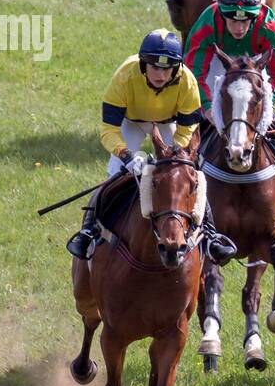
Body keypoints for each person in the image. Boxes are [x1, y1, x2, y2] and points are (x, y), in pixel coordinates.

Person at [66, 29, 230, 261]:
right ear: (143, 65)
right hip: (131, 122)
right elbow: (108, 131)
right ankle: (89, 230)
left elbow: (187, 129)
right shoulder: (124, 76)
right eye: (154, 67)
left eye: (167, 68)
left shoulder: (187, 81)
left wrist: (169, 155)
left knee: (191, 175)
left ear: (176, 68)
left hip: (168, 124)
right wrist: (127, 155)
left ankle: (211, 235)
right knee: (114, 174)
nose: (161, 74)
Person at [184, 0, 275, 200]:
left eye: (245, 21)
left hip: (253, 64)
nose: (239, 27)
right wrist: (206, 106)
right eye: (232, 21)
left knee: (270, 119)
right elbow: (194, 70)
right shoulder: (207, 22)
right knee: (194, 120)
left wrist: (264, 102)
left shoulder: (269, 24)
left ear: (256, 16)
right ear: (222, 14)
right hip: (217, 61)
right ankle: (184, 168)